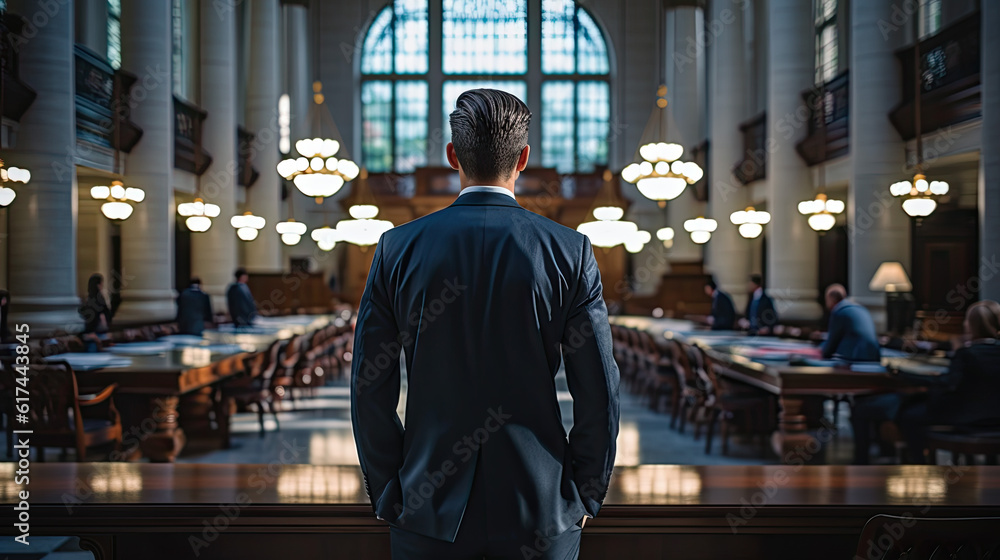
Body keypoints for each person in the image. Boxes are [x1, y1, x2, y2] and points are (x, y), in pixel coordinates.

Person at [351, 89, 619, 560]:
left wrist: (392, 491)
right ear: (523, 159)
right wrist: (585, 495)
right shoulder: (569, 251)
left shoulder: (398, 248)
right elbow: (599, 390)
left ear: (453, 154)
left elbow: (369, 387)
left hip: (424, 508)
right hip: (542, 509)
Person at [897, 300, 1000, 463]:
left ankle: (919, 464)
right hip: (996, 418)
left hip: (967, 417)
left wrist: (906, 376)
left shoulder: (966, 354)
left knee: (910, 415)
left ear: (971, 325)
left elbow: (948, 384)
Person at [820, 284, 881, 362]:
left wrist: (821, 352)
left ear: (830, 298)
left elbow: (831, 345)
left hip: (855, 359)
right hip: (874, 357)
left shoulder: (839, 311)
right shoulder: (861, 308)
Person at [79, 273, 113, 351]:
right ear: (98, 285)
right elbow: (106, 314)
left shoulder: (87, 300)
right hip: (96, 334)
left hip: (90, 333)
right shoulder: (99, 300)